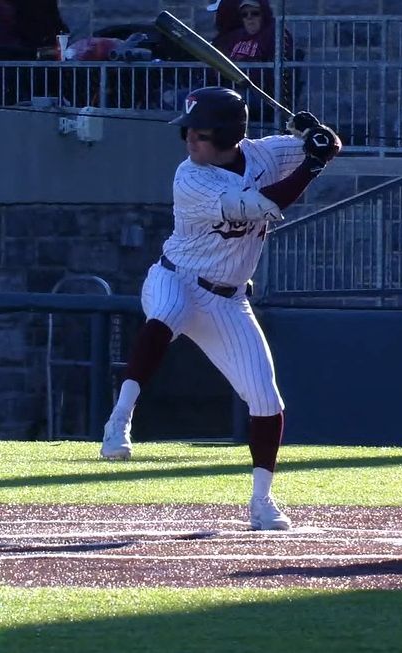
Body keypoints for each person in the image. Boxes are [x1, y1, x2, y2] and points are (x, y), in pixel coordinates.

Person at [97, 86, 342, 531]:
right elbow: (265, 205)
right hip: (176, 276)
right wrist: (313, 162)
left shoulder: (265, 154)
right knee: (166, 314)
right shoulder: (190, 177)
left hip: (228, 299)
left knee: (266, 398)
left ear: (229, 133)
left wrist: (316, 137)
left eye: (201, 133)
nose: (190, 140)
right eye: (187, 131)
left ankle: (262, 502)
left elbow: (329, 144)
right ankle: (119, 420)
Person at [211, 0, 294, 123]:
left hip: (260, 94)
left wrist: (243, 72)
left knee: (220, 102)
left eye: (255, 13)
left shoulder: (273, 33)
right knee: (184, 97)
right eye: (245, 14)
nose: (250, 18)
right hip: (229, 88)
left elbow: (275, 71)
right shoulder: (235, 37)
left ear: (263, 15)